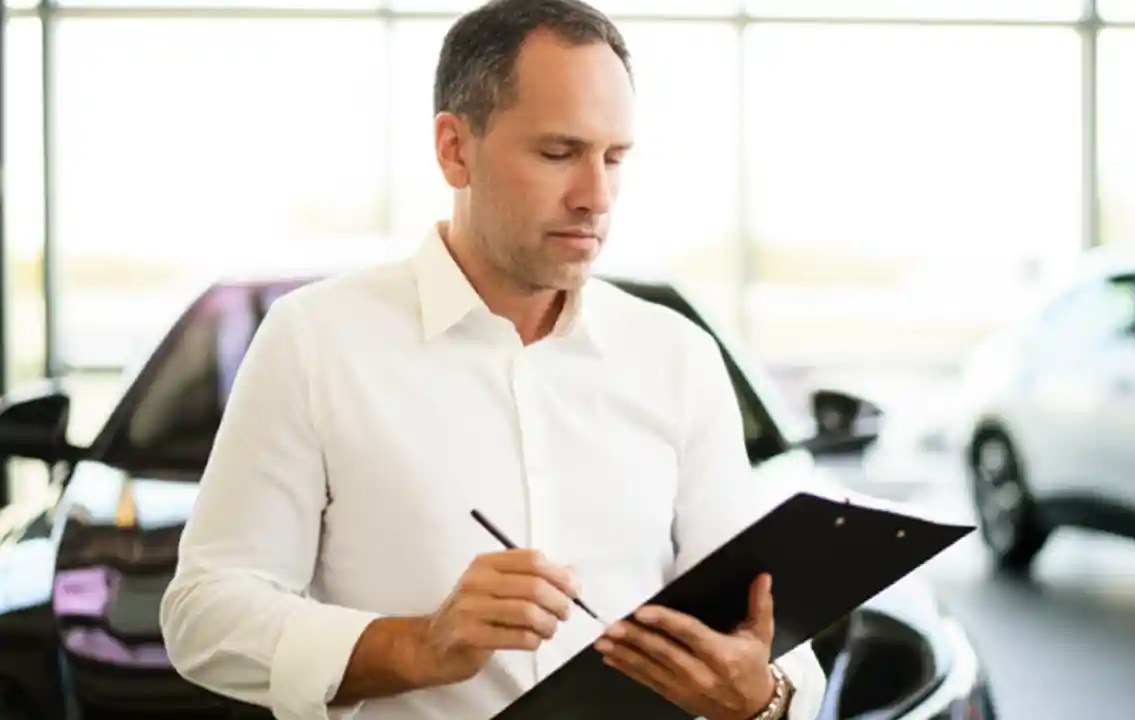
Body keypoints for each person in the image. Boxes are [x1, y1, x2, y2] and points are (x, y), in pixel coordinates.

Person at [159, 1, 826, 718]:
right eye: (559, 153)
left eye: (614, 158)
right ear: (454, 149)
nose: (595, 197)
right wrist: (416, 646)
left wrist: (765, 695)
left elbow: (763, 626)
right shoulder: (314, 340)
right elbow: (205, 613)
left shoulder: (680, 358)